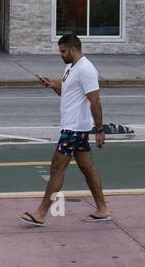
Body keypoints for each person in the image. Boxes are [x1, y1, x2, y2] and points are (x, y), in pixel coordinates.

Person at [19, 33, 110, 226]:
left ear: (73, 49)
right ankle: (102, 209)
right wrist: (53, 85)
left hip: (74, 129)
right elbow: (67, 92)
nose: (60, 55)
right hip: (74, 127)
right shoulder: (71, 67)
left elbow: (95, 101)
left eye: (63, 51)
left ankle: (41, 213)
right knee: (87, 168)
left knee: (56, 168)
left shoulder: (86, 70)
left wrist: (100, 130)